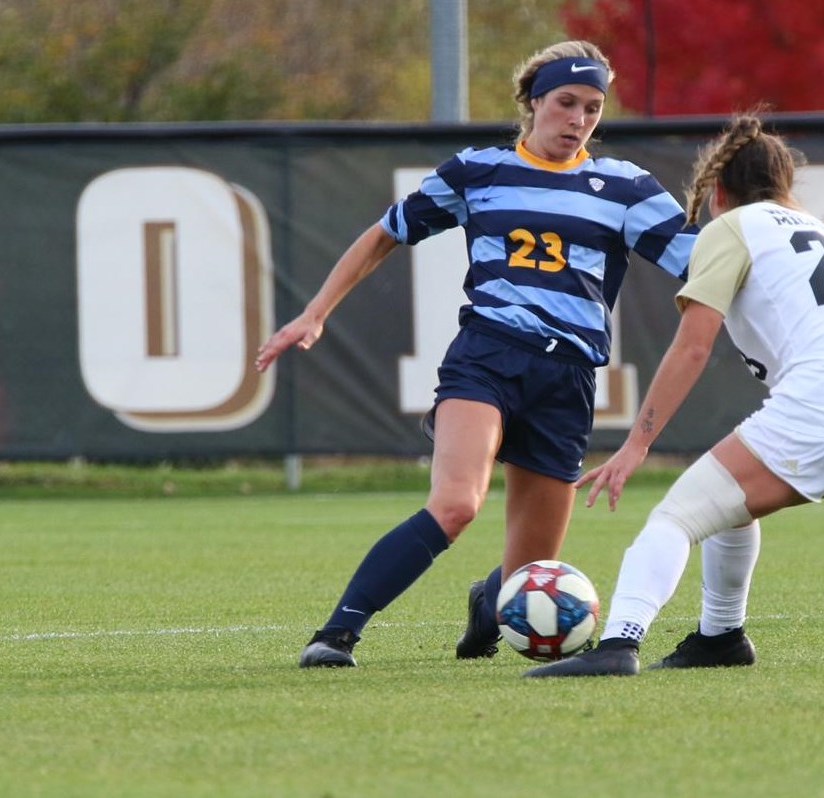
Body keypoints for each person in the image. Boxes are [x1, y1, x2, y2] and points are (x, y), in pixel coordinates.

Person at [254, 40, 698, 668]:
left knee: (528, 577)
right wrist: (315, 311)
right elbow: (385, 234)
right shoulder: (476, 171)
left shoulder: (625, 188)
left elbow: (703, 266)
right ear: (533, 102)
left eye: (592, 109)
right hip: (487, 355)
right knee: (457, 504)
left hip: (567, 379)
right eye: (565, 103)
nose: (577, 120)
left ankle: (486, 600)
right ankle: (336, 634)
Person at [524, 113, 824, 677]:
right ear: (785, 186)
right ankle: (720, 637)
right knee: (728, 508)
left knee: (674, 518)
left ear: (717, 190)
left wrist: (636, 445)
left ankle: (618, 644)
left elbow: (692, 347)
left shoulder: (730, 228)